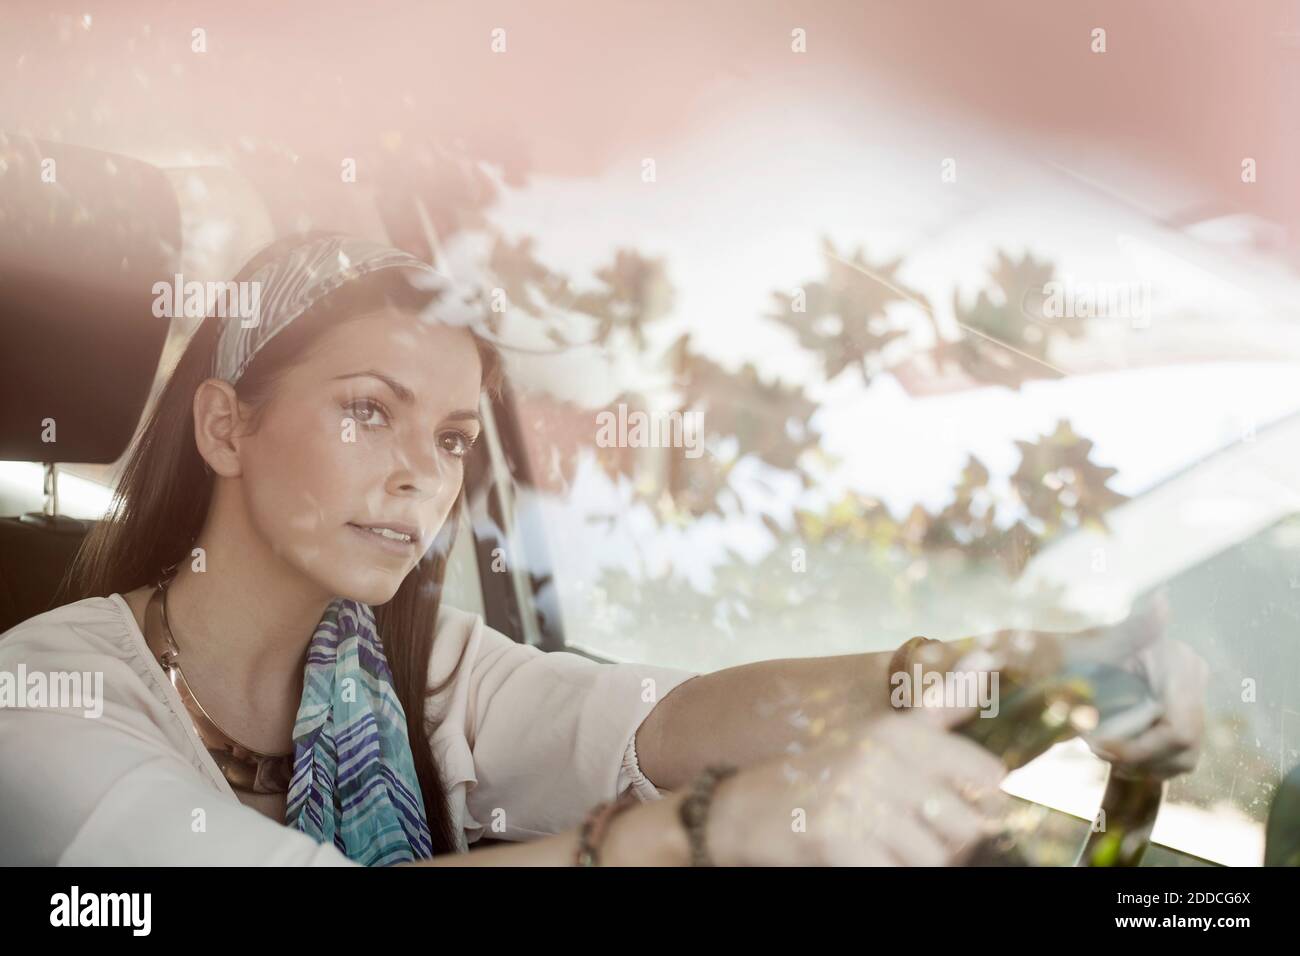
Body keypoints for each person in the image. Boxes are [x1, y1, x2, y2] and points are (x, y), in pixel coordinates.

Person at [0, 233, 1206, 866]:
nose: (424, 471)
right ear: (227, 425)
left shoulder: (412, 665)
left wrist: (1002, 673)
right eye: (368, 408)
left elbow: (653, 723)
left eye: (457, 435)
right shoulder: (39, 701)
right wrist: (703, 835)